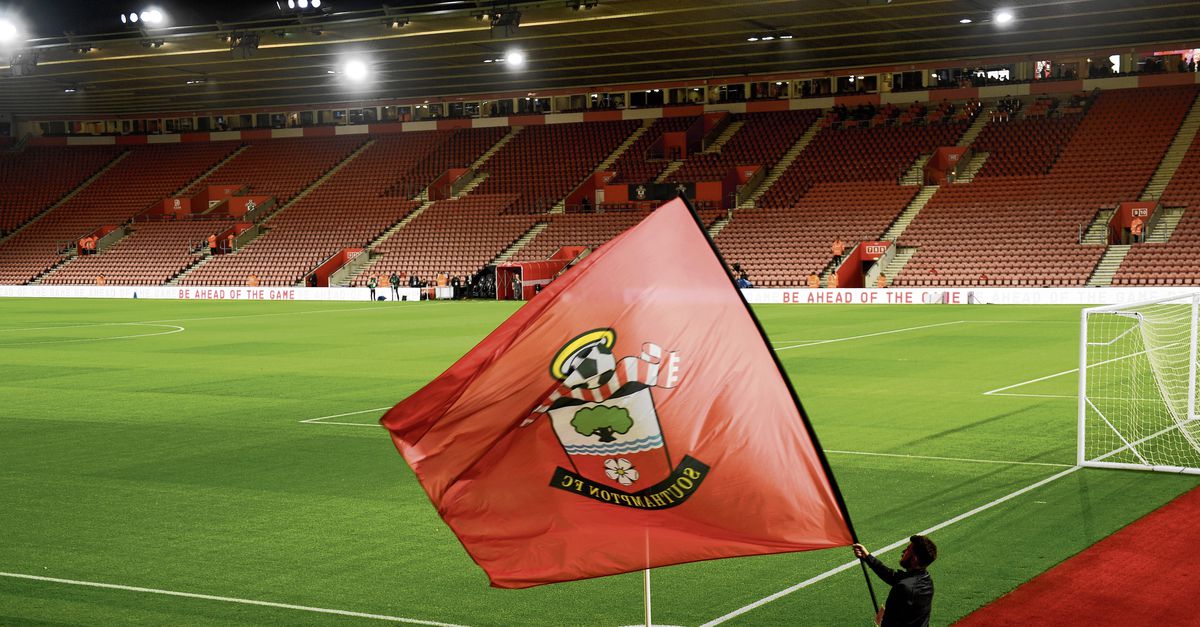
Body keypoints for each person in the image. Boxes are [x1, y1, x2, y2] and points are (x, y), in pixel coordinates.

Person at [853, 536, 936, 627]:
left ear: (914, 558)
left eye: (908, 550)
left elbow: (890, 622)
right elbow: (892, 576)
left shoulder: (903, 587)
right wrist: (867, 557)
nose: (903, 552)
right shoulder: (926, 580)